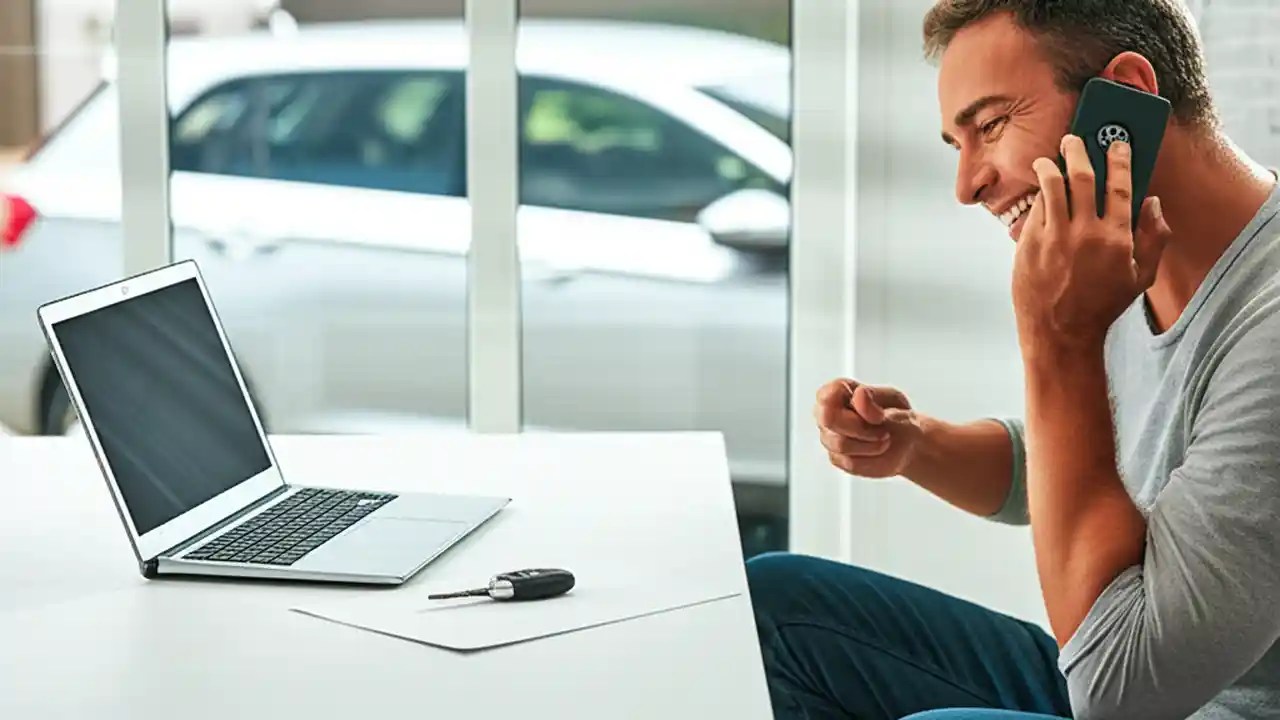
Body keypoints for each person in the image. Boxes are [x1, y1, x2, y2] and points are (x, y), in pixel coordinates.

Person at [747, 1, 1280, 718]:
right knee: (775, 610)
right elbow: (1082, 459)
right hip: (1110, 670)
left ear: (1124, 98)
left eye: (992, 125)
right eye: (956, 144)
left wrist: (1056, 338)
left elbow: (1121, 692)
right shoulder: (1120, 257)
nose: (967, 185)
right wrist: (915, 444)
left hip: (1151, 686)